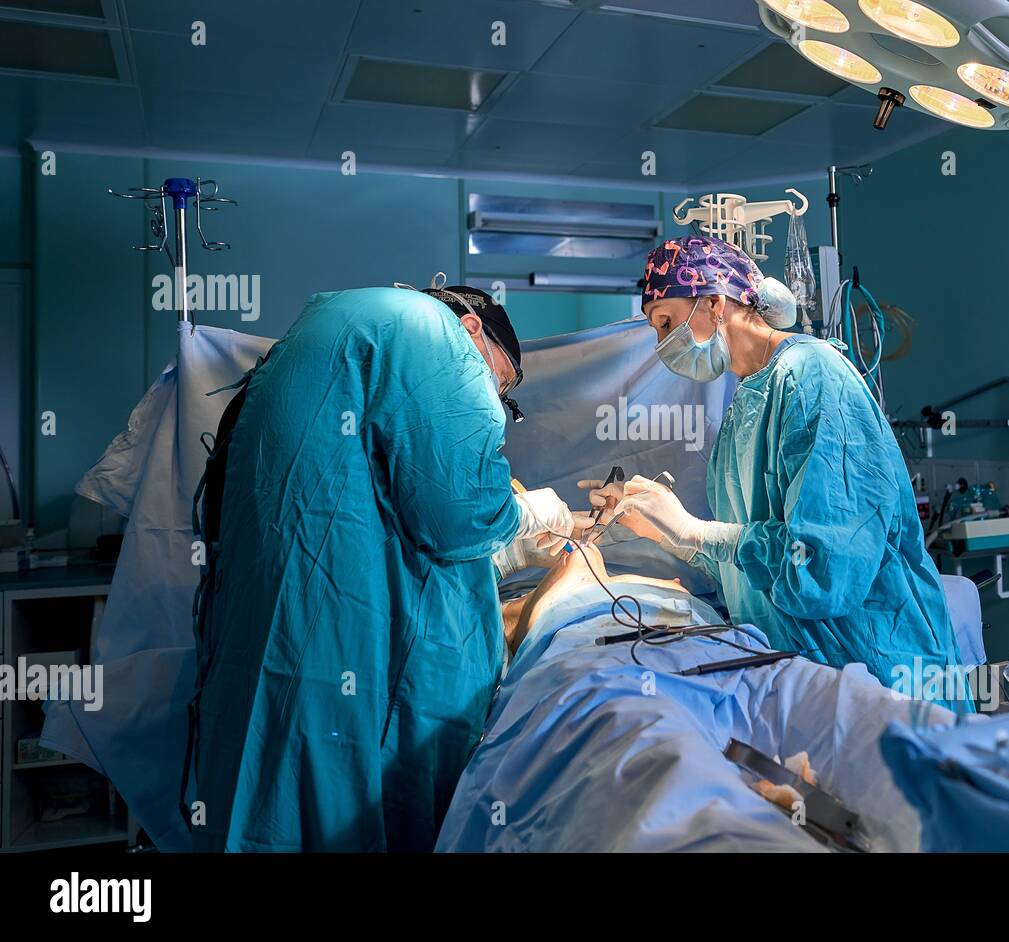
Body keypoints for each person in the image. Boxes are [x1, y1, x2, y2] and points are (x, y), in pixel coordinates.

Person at [189, 284, 590, 852]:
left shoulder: (334, 323)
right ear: (474, 328)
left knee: (270, 796)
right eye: (501, 384)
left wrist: (511, 549)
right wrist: (526, 513)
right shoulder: (433, 334)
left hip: (275, 629)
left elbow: (373, 511)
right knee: (341, 799)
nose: (495, 397)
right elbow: (455, 513)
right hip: (340, 649)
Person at [581, 236, 969, 710]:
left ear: (715, 302)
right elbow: (747, 569)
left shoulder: (815, 377)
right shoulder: (748, 397)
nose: (663, 345)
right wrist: (666, 532)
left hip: (879, 679)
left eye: (666, 322)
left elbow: (824, 571)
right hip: (805, 674)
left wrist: (693, 529)